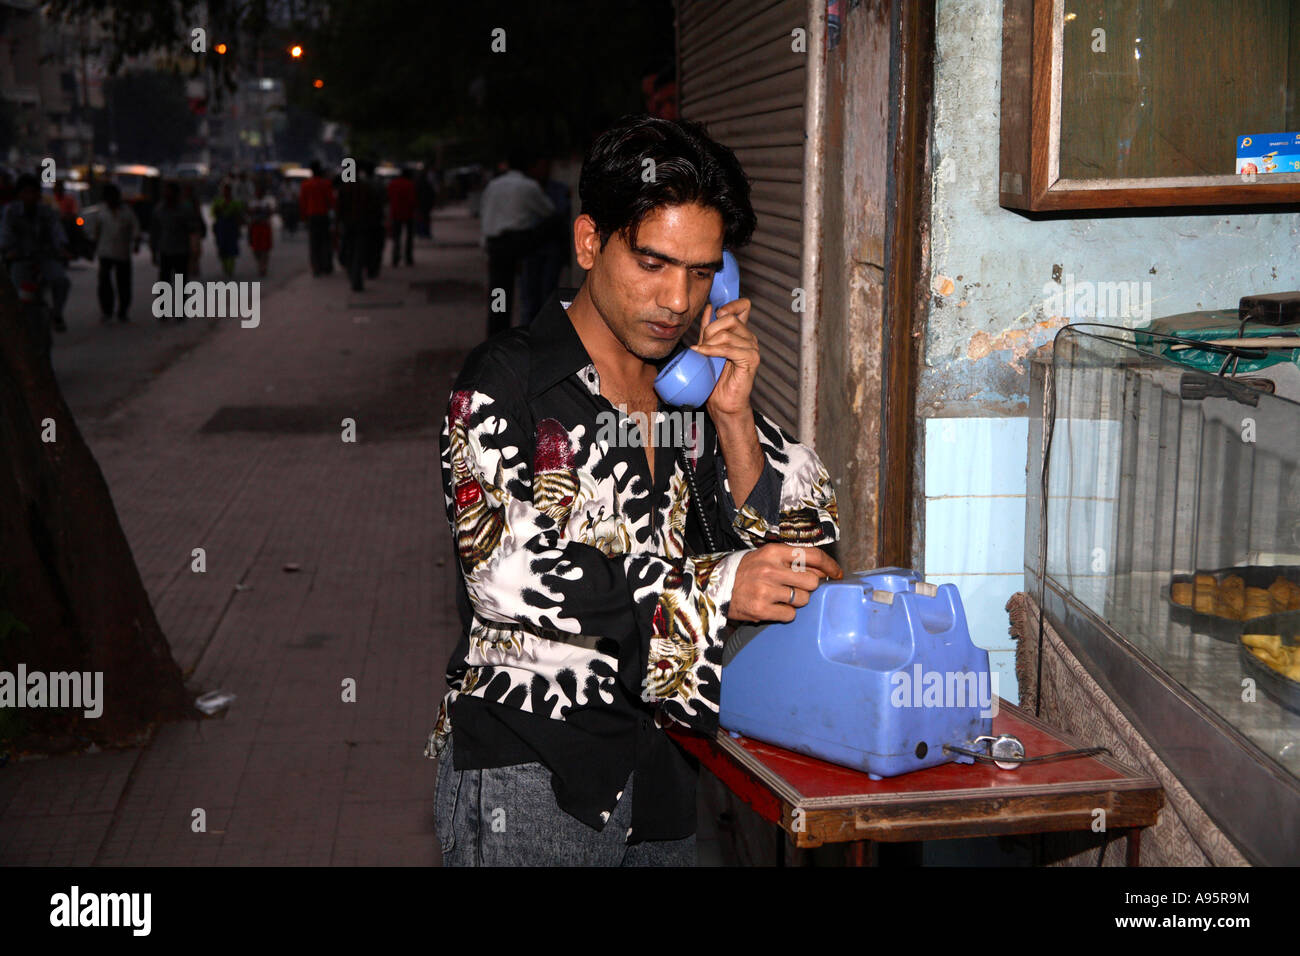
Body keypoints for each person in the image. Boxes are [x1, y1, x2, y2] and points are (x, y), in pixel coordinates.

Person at [429, 115, 842, 866]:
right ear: (590, 242)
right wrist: (718, 587)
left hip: (666, 777)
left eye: (701, 273)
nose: (677, 300)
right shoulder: (503, 384)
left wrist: (734, 418)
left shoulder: (695, 396)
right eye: (653, 263)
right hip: (533, 771)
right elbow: (506, 573)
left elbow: (810, 548)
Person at [479, 149, 555, 335]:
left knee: (499, 290)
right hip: (520, 243)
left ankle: (497, 331)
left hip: (496, 243)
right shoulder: (529, 186)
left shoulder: (493, 185)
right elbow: (549, 211)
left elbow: (486, 216)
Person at [1, 172, 72, 333]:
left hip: (45, 257)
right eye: (26, 192)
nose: (30, 196)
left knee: (62, 282)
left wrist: (62, 248)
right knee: (14, 292)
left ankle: (57, 314)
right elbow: (5, 234)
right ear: (19, 194)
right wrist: (8, 249)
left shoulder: (46, 211)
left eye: (33, 192)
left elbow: (57, 231)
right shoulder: (11, 212)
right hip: (20, 259)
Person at [518, 156, 571, 325]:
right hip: (532, 248)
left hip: (550, 247)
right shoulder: (526, 188)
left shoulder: (557, 189)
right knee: (530, 296)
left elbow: (560, 213)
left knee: (548, 294)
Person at [150, 180, 203, 318]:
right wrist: (153, 251)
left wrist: (194, 249)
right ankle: (163, 310)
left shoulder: (185, 210)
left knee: (180, 283)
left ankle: (180, 310)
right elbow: (154, 232)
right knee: (164, 282)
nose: (167, 195)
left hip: (181, 250)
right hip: (165, 250)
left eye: (169, 192)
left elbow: (194, 228)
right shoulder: (159, 210)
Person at [88, 183, 139, 323]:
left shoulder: (127, 212)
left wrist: (136, 243)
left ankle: (123, 311)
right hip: (105, 252)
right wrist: (93, 248)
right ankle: (107, 311)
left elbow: (135, 228)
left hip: (122, 252)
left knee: (124, 284)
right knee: (104, 282)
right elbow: (96, 231)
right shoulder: (101, 212)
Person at [300, 160, 334, 275]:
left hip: (312, 216)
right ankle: (326, 265)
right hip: (324, 216)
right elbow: (331, 201)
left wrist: (304, 217)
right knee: (325, 241)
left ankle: (316, 268)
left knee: (314, 243)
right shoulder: (326, 183)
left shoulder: (306, 185)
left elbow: (303, 203)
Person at [210, 181, 245, 278]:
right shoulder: (217, 201)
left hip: (232, 227)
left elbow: (239, 214)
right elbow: (213, 213)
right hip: (221, 227)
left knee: (232, 248)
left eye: (227, 190)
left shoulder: (235, 202)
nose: (226, 192)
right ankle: (225, 266)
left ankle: (230, 268)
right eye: (224, 190)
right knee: (222, 248)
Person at [387, 167, 416, 266]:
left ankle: (395, 257)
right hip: (408, 213)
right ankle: (408, 258)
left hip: (396, 213)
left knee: (396, 237)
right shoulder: (410, 184)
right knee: (409, 237)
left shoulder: (393, 183)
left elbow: (389, 197)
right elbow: (412, 199)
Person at [247, 181, 275, 277]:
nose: (258, 193)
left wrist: (265, 210)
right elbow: (248, 211)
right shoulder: (252, 201)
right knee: (256, 249)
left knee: (265, 248)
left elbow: (272, 211)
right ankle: (260, 263)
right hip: (255, 226)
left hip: (264, 226)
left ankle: (263, 266)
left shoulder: (268, 201)